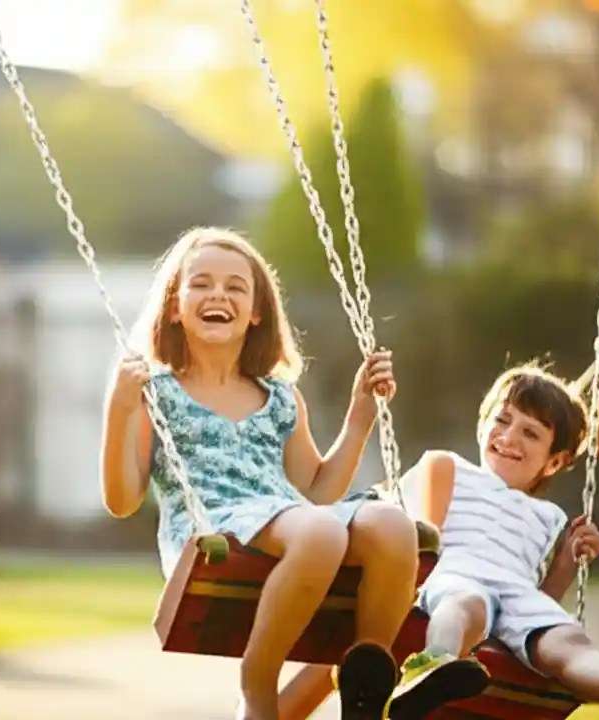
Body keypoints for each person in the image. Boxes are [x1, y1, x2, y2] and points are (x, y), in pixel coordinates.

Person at [100, 226, 421, 720]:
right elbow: (122, 500)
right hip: (214, 526)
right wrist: (119, 409)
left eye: (235, 287)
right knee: (319, 532)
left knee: (394, 528)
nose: (218, 294)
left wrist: (360, 417)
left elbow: (318, 490)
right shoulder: (156, 394)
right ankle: (259, 678)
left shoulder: (280, 397)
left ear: (256, 313)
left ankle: (365, 680)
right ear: (174, 307)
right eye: (201, 283)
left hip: (289, 517)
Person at [387, 362, 599, 719]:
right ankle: (435, 665)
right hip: (457, 572)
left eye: (530, 433)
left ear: (554, 462)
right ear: (482, 424)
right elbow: (424, 538)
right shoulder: (447, 467)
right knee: (463, 604)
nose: (509, 437)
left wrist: (568, 561)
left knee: (565, 638)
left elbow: (540, 599)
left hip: (516, 592)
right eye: (502, 420)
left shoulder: (549, 517)